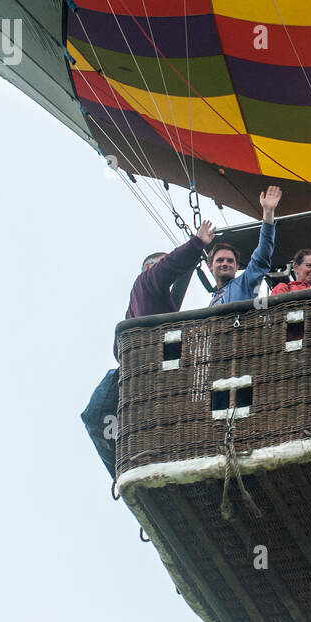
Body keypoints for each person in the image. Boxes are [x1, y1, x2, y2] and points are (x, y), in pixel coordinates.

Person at [81, 220, 217, 477]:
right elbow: (168, 268)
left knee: (99, 414)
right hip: (138, 367)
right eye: (161, 264)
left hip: (147, 368)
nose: (165, 269)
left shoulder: (158, 300)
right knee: (96, 413)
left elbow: (175, 289)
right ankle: (123, 466)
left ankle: (128, 464)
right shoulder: (146, 282)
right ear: (148, 267)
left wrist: (194, 254)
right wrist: (197, 244)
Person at [208, 187, 282, 305]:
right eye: (220, 260)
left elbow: (261, 256)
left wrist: (268, 214)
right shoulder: (213, 300)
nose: (225, 263)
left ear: (237, 267)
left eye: (230, 261)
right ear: (210, 266)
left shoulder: (245, 283)